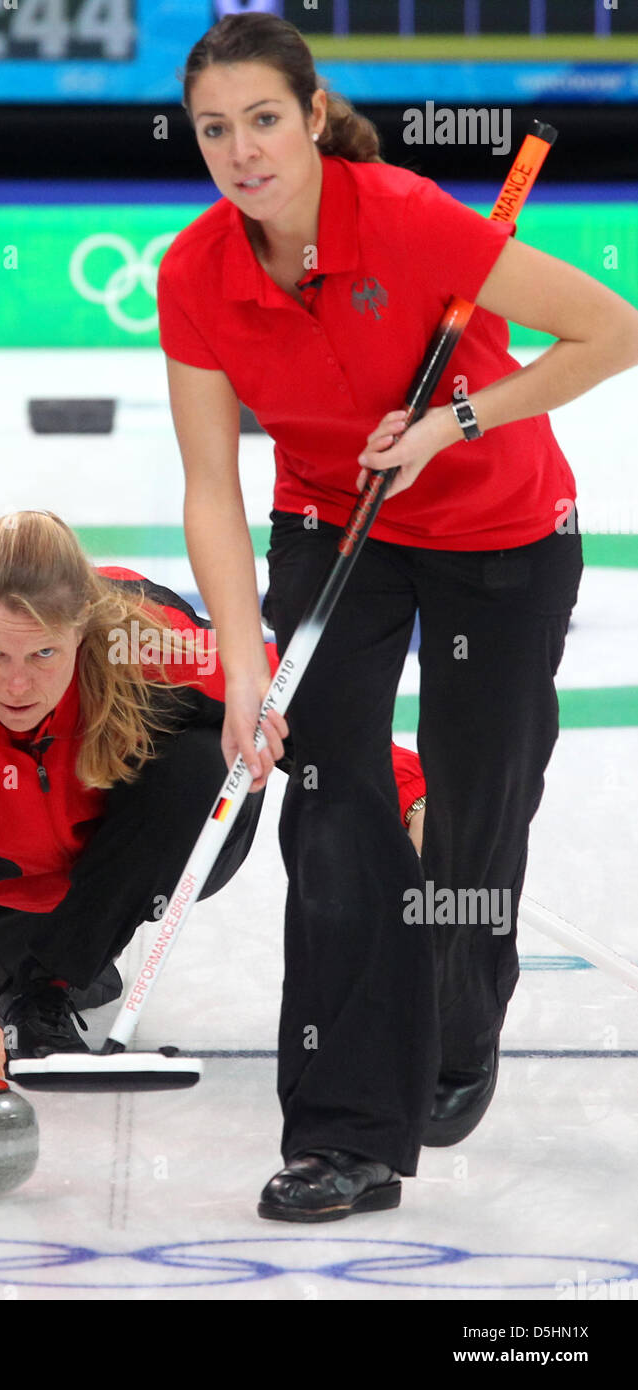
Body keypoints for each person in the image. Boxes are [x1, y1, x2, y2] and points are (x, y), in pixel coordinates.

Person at [158, 13, 638, 1222]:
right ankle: (343, 1130)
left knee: (474, 811)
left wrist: (451, 422)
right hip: (334, 527)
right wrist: (240, 667)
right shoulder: (195, 274)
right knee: (331, 800)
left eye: (262, 119)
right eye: (213, 129)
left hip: (499, 528)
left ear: (311, 116)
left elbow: (611, 330)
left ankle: (460, 1019)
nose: (240, 151)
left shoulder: (409, 219)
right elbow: (209, 487)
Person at [0, 509, 426, 1077]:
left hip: (138, 855)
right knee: (30, 975)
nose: (17, 686)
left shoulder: (139, 636)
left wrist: (415, 802)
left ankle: (52, 979)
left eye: (44, 653)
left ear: (83, 629)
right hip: (4, 898)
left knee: (206, 753)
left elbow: (303, 707)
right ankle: (43, 973)